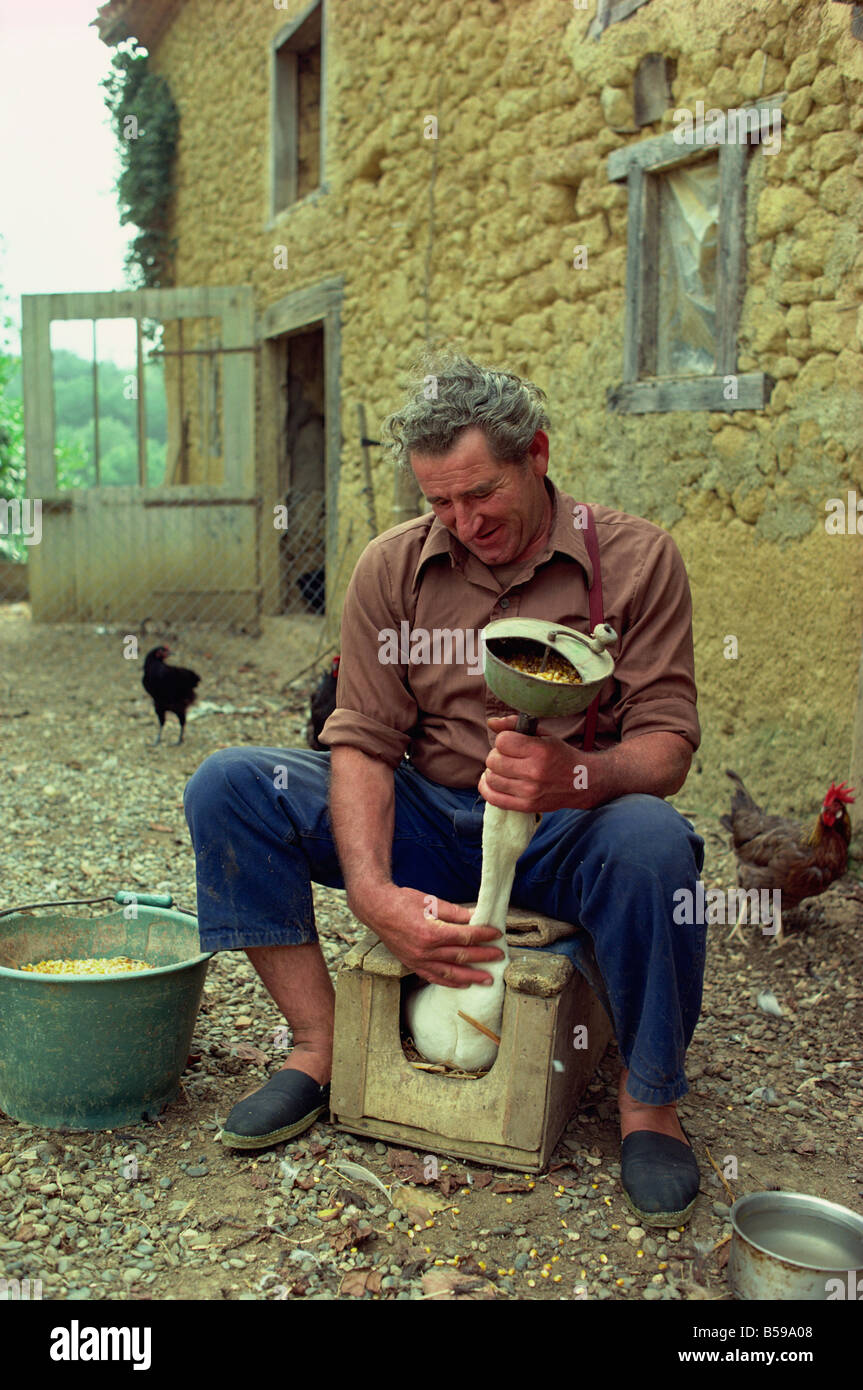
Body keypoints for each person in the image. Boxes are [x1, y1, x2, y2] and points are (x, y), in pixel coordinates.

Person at [184, 349, 706, 1227]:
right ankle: (317, 1049)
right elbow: (360, 740)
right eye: (438, 502)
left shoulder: (637, 560)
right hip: (430, 817)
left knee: (654, 839)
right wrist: (374, 892)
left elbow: (667, 747)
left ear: (536, 454)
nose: (461, 521)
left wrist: (580, 773)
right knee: (230, 785)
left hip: (568, 832)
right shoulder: (391, 568)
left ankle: (649, 1102)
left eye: (481, 494)